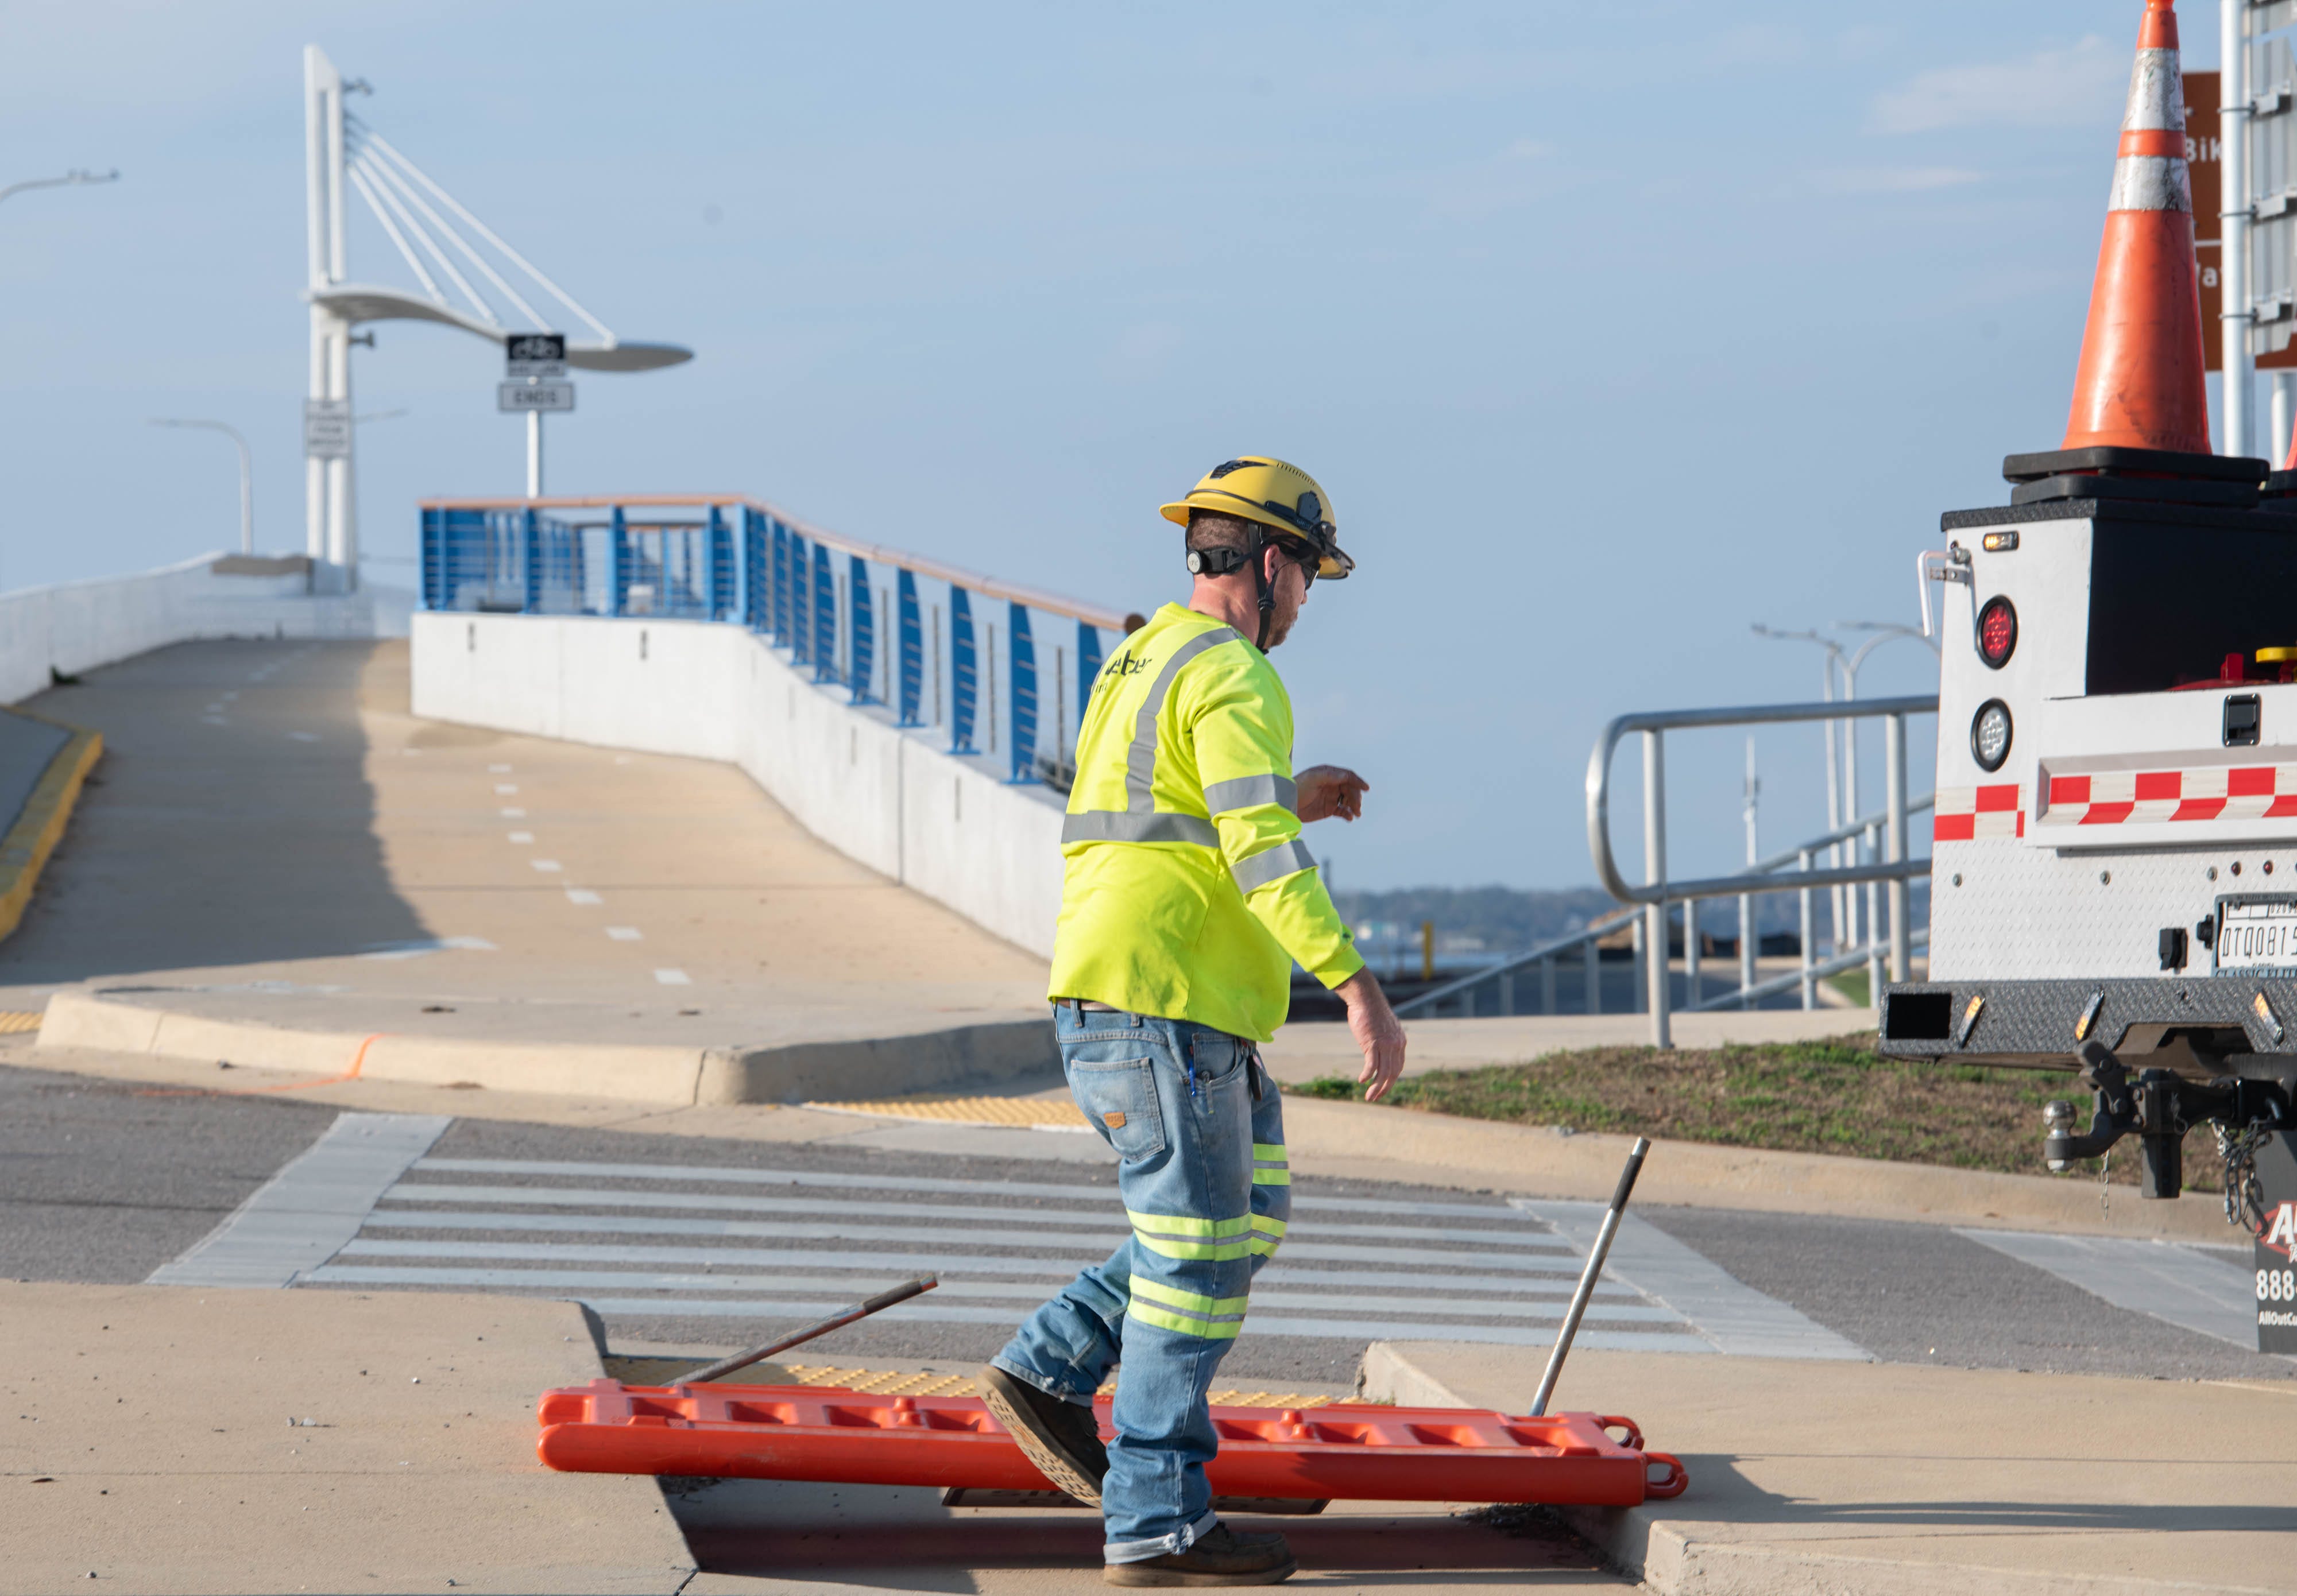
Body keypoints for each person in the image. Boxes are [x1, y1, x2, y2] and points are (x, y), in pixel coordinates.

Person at [979, 455, 1407, 1586]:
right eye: (1309, 577)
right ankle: (1156, 1519)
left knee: (1237, 1223)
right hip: (1164, 1009)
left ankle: (1044, 1370)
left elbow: (1194, 805)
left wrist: (1287, 789)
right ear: (1271, 564)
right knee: (1198, 1263)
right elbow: (1258, 857)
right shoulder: (1235, 674)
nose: (1306, 603)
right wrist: (1356, 986)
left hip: (1138, 999)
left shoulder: (1140, 654)